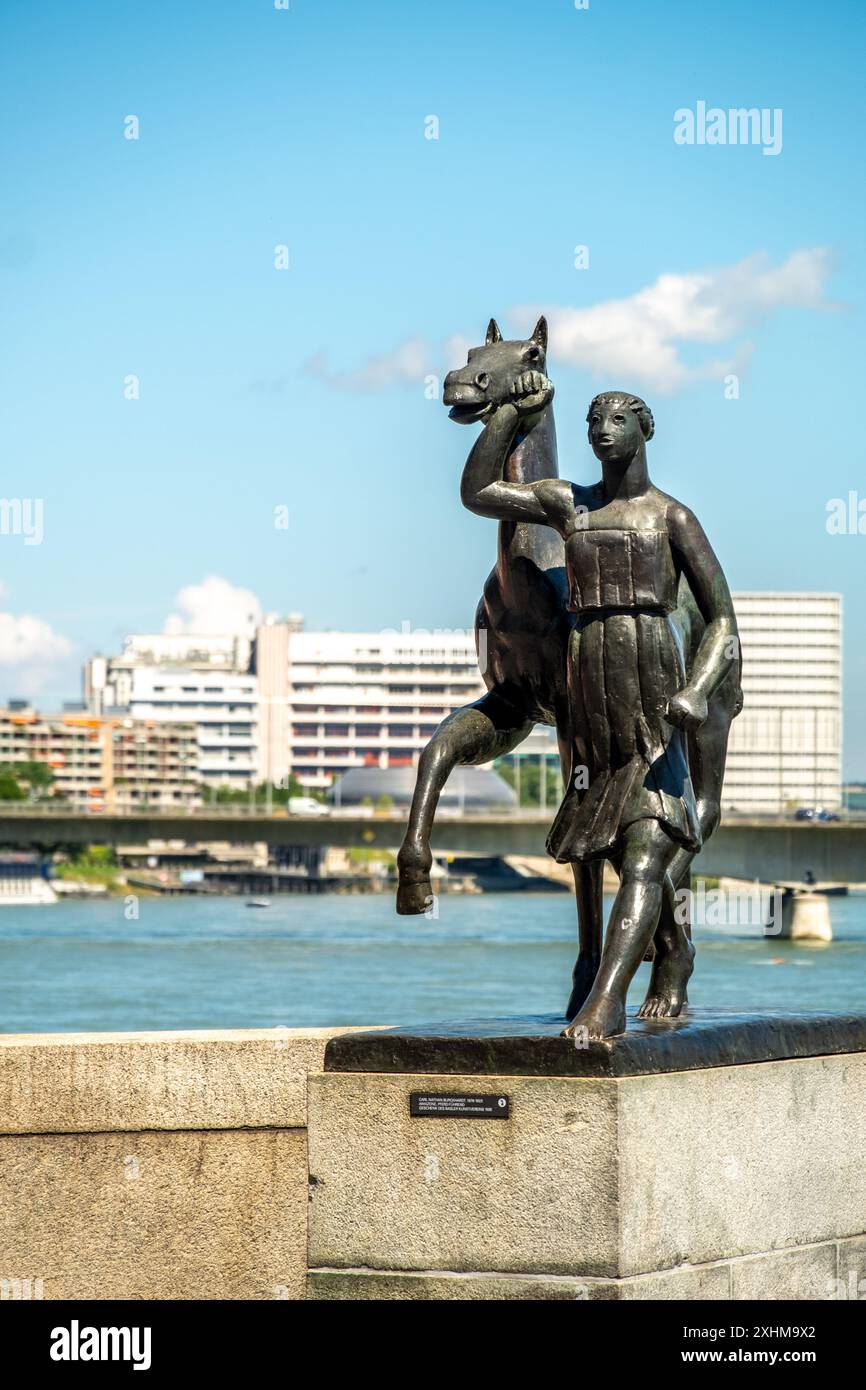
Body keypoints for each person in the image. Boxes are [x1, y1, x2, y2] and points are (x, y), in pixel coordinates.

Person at [461, 373, 739, 1039]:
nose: (602, 431)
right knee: (607, 845)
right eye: (593, 423)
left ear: (645, 431)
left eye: (616, 420)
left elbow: (722, 623)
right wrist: (511, 414)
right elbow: (478, 494)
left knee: (646, 847)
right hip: (589, 681)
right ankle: (675, 951)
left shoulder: (671, 518)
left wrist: (696, 691)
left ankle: (605, 1001)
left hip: (653, 678)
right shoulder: (569, 506)